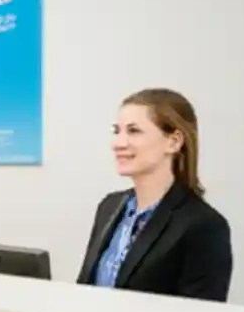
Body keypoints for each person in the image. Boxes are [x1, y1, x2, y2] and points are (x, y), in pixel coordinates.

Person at [77, 88, 233, 301]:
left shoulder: (204, 225)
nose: (119, 143)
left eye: (134, 131)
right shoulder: (110, 207)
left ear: (174, 142)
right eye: (117, 131)